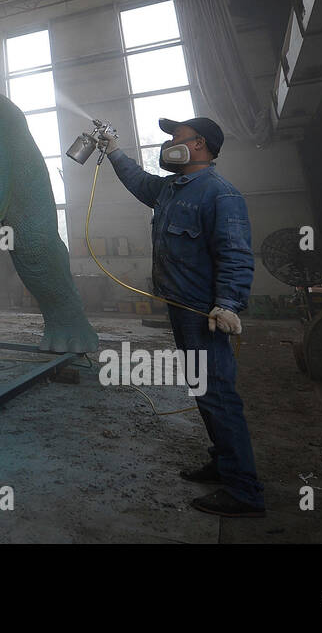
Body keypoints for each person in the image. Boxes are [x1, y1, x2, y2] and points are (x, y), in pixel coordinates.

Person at [99, 117, 265, 517]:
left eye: (175, 138)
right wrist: (113, 150)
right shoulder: (172, 189)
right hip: (180, 306)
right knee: (202, 389)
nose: (168, 144)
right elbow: (140, 182)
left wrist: (227, 303)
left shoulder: (219, 194)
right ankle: (223, 464)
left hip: (203, 312)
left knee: (218, 394)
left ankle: (245, 493)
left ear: (200, 144)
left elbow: (236, 253)